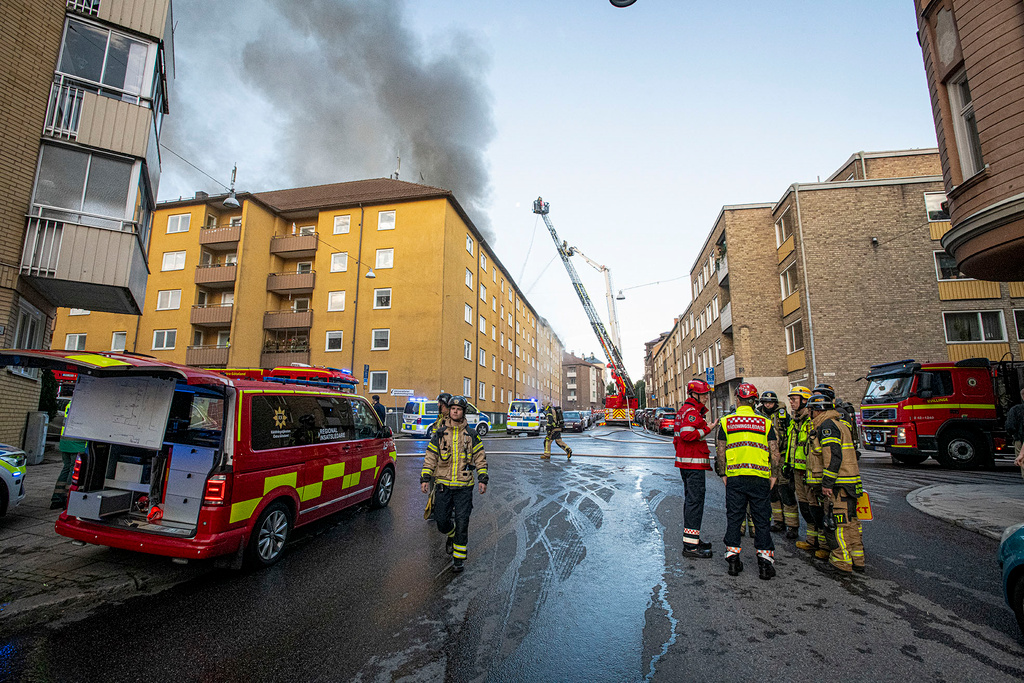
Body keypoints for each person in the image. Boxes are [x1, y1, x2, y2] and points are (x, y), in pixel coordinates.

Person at [714, 382, 782, 580]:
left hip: (735, 477)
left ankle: (733, 561)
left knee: (734, 518)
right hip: (760, 478)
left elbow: (720, 451)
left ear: (737, 399)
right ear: (754, 401)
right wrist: (774, 475)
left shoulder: (726, 422)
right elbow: (775, 452)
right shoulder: (765, 423)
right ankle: (765, 564)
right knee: (762, 520)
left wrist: (723, 474)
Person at [421, 396, 488, 573]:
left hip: (464, 487)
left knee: (462, 521)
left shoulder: (472, 435)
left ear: (463, 412)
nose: (455, 411)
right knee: (441, 521)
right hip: (443, 485)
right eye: (452, 409)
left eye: (458, 409)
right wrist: (425, 478)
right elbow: (430, 457)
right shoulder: (440, 433)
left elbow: (480, 457)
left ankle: (458, 560)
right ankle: (452, 534)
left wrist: (482, 479)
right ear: (449, 411)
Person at [807, 392, 865, 573]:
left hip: (839, 485)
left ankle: (841, 562)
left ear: (817, 410)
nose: (809, 413)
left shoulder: (827, 426)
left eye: (810, 410)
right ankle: (857, 559)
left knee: (838, 525)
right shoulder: (839, 424)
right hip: (850, 483)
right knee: (851, 523)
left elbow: (833, 456)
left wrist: (827, 483)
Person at [673, 379, 715, 559]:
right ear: (695, 394)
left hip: (688, 463)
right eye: (704, 394)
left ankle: (693, 540)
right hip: (693, 464)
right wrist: (708, 429)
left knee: (692, 502)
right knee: (694, 503)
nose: (706, 397)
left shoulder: (686, 410)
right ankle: (690, 547)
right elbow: (686, 434)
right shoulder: (691, 412)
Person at [758, 390, 797, 537]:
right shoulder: (758, 416)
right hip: (765, 458)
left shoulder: (783, 415)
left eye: (771, 402)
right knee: (772, 491)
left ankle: (792, 525)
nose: (768, 405)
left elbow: (790, 435)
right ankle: (778, 521)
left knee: (785, 490)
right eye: (766, 402)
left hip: (782, 456)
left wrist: (788, 458)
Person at [786, 386, 821, 550]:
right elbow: (791, 445)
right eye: (790, 400)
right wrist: (788, 464)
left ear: (805, 401)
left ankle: (821, 542)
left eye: (794, 399)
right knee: (805, 507)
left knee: (815, 507)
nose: (791, 403)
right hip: (797, 470)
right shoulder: (795, 421)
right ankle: (811, 540)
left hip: (810, 471)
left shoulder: (811, 421)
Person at [50, 399, 87, 510]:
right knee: (74, 470)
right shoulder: (85, 403)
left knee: (66, 468)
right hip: (77, 442)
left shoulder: (71, 403)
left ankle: (57, 498)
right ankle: (68, 498)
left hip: (65, 441)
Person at [1005, 388, 1024, 462]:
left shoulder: (1015, 409)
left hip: (1019, 439)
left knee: (1021, 462)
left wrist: (1013, 435)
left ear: (1022, 396)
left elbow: (1010, 426)